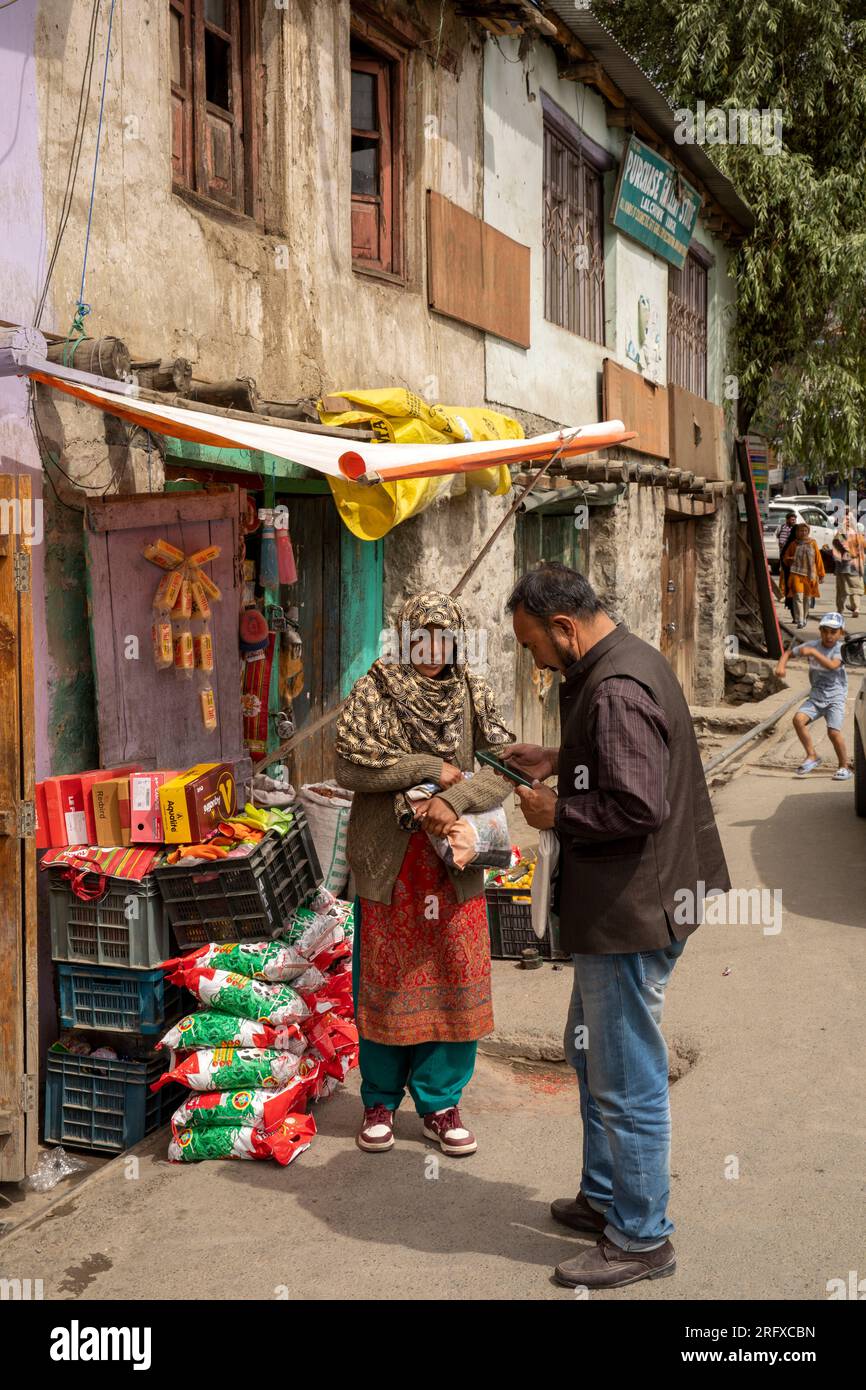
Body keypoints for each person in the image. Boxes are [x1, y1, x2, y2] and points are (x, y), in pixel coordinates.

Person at [502, 563, 729, 1291]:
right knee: (589, 1053)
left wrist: (556, 812)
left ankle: (641, 1237)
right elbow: (624, 760)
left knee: (626, 1076)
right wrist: (559, 759)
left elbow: (636, 804)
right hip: (643, 903)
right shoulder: (622, 661)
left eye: (534, 644)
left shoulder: (616, 687)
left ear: (564, 628)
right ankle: (607, 1197)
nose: (534, 660)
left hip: (636, 911)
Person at [334, 590, 512, 1158]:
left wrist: (455, 800)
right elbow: (350, 763)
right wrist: (429, 768)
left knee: (454, 976)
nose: (432, 648)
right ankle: (380, 1101)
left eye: (443, 637)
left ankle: (440, 1104)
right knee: (385, 977)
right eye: (422, 636)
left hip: (451, 866)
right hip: (391, 864)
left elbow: (504, 762)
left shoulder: (470, 691)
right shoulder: (376, 686)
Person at [774, 611, 851, 779]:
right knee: (798, 720)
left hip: (835, 697)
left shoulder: (841, 649)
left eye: (833, 632)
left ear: (841, 633)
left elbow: (832, 665)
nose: (829, 636)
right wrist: (781, 666)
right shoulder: (813, 645)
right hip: (816, 696)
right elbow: (788, 653)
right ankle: (812, 755)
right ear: (820, 631)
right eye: (825, 631)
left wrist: (813, 653)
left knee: (833, 732)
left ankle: (844, 766)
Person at [781, 523, 825, 629]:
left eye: (805, 531)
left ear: (808, 532)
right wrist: (790, 559)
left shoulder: (813, 543)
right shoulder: (793, 544)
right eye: (801, 531)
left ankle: (804, 617)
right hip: (796, 574)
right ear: (797, 532)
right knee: (798, 597)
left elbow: (818, 559)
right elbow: (785, 558)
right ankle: (800, 620)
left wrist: (821, 574)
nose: (803, 533)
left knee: (807, 598)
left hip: (810, 575)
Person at [831, 514, 864, 619]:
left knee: (842, 590)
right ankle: (856, 608)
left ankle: (840, 610)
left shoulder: (841, 533)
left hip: (843, 565)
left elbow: (838, 544)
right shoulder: (857, 534)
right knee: (856, 588)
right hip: (855, 565)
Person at [776, 510, 798, 618]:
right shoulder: (782, 528)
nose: (793, 521)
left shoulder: (797, 532)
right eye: (791, 519)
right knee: (784, 575)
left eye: (794, 519)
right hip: (784, 556)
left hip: (795, 561)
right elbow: (779, 538)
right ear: (787, 519)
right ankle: (783, 593)